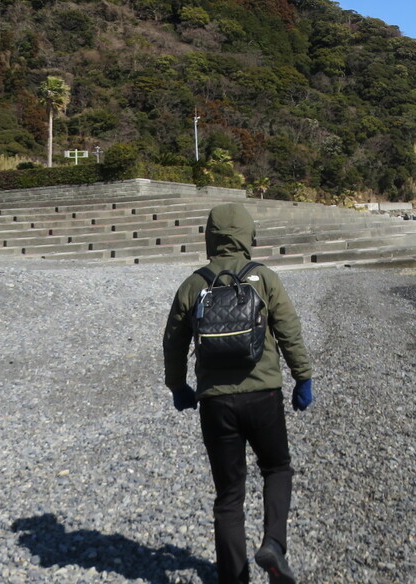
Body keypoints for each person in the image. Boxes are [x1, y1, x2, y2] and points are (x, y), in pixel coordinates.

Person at [164, 203, 313, 584]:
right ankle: (273, 544)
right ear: (249, 236)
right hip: (263, 394)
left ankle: (234, 579)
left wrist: (179, 386)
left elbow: (174, 343)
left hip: (215, 402)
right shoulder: (263, 278)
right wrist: (302, 378)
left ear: (210, 237)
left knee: (229, 496)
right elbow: (289, 331)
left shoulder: (193, 284)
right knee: (277, 467)